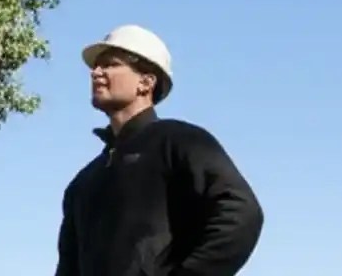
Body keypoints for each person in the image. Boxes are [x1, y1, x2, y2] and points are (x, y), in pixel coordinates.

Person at [54, 25, 264, 276]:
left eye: (110, 64)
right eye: (95, 67)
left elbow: (240, 213)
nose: (96, 73)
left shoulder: (179, 141)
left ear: (146, 82)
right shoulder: (82, 183)